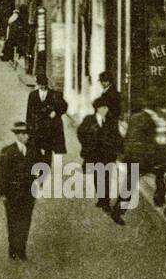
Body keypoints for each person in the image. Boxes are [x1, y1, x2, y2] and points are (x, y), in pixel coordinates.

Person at [0, 120, 44, 260]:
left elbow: (42, 168)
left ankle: (22, 251)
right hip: (12, 194)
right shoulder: (8, 151)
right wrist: (2, 193)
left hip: (28, 193)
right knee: (12, 221)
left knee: (25, 221)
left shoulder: (34, 151)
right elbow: (2, 174)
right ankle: (13, 250)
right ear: (16, 135)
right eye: (21, 134)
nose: (24, 137)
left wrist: (38, 183)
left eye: (26, 134)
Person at [77, 93, 124, 222]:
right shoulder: (89, 120)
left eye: (106, 108)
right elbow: (80, 133)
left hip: (107, 154)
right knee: (98, 176)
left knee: (107, 176)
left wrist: (119, 147)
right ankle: (102, 198)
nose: (105, 110)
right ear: (97, 108)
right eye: (103, 108)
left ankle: (105, 201)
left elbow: (117, 136)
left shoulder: (111, 120)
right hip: (94, 154)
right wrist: (87, 145)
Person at [24, 72, 68, 164]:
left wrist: (56, 112)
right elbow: (29, 113)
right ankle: (39, 169)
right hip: (37, 127)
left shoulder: (55, 95)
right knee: (36, 149)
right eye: (40, 85)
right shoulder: (33, 95)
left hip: (50, 128)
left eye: (44, 85)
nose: (42, 87)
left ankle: (46, 169)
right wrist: (28, 128)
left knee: (48, 150)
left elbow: (64, 106)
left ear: (46, 84)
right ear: (38, 84)